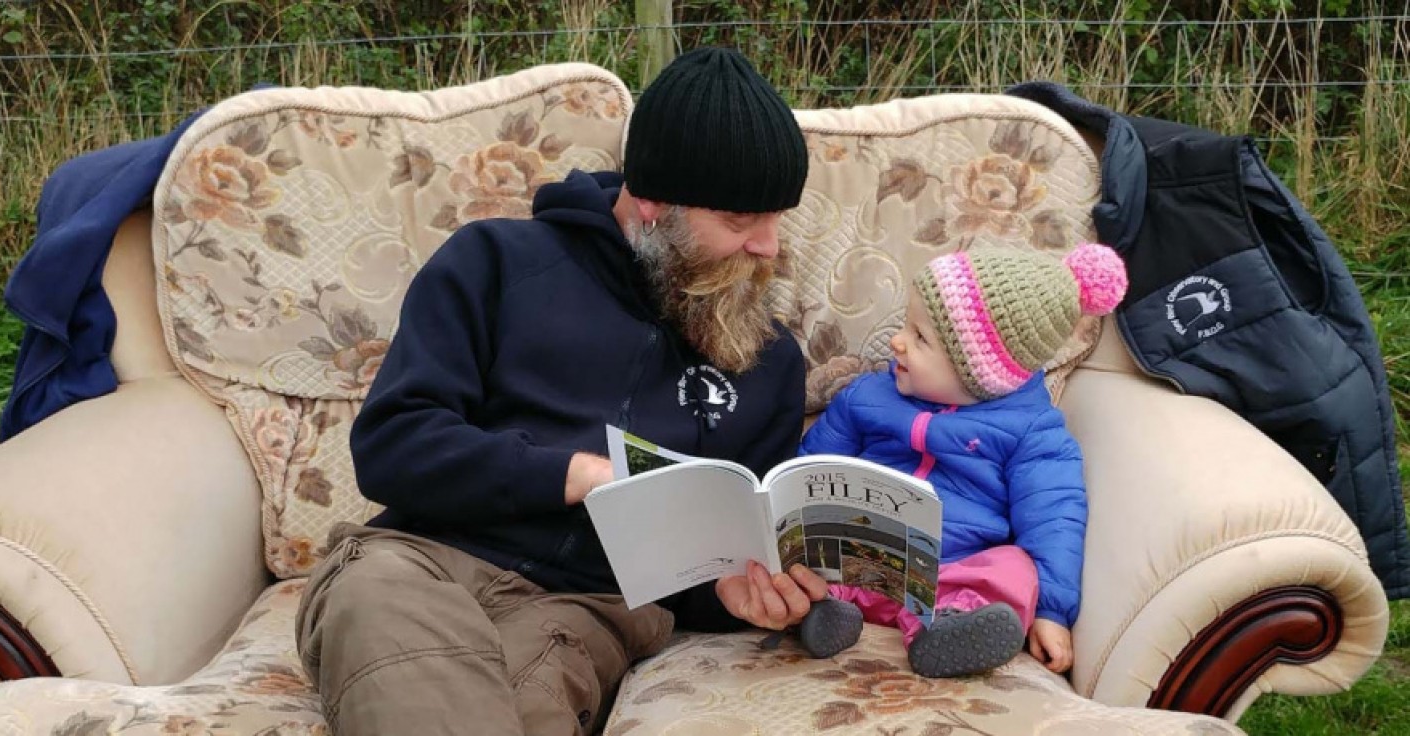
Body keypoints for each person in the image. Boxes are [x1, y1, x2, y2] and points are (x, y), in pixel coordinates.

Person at [295, 47, 829, 736]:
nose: (768, 247)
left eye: (778, 216)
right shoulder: (493, 264)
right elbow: (392, 445)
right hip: (418, 565)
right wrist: (576, 475)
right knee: (384, 610)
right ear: (652, 203)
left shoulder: (768, 359)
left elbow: (717, 555)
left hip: (584, 608)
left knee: (523, 708)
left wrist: (733, 592)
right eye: (739, 221)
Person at [798, 243, 1128, 678]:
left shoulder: (1032, 431)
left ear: (979, 371)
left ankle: (946, 628)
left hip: (949, 571)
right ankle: (824, 610)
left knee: (1014, 569)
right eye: (905, 325)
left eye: (919, 338)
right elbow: (812, 466)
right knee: (807, 554)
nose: (897, 341)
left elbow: (1053, 520)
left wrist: (1052, 612)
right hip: (862, 555)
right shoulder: (867, 395)